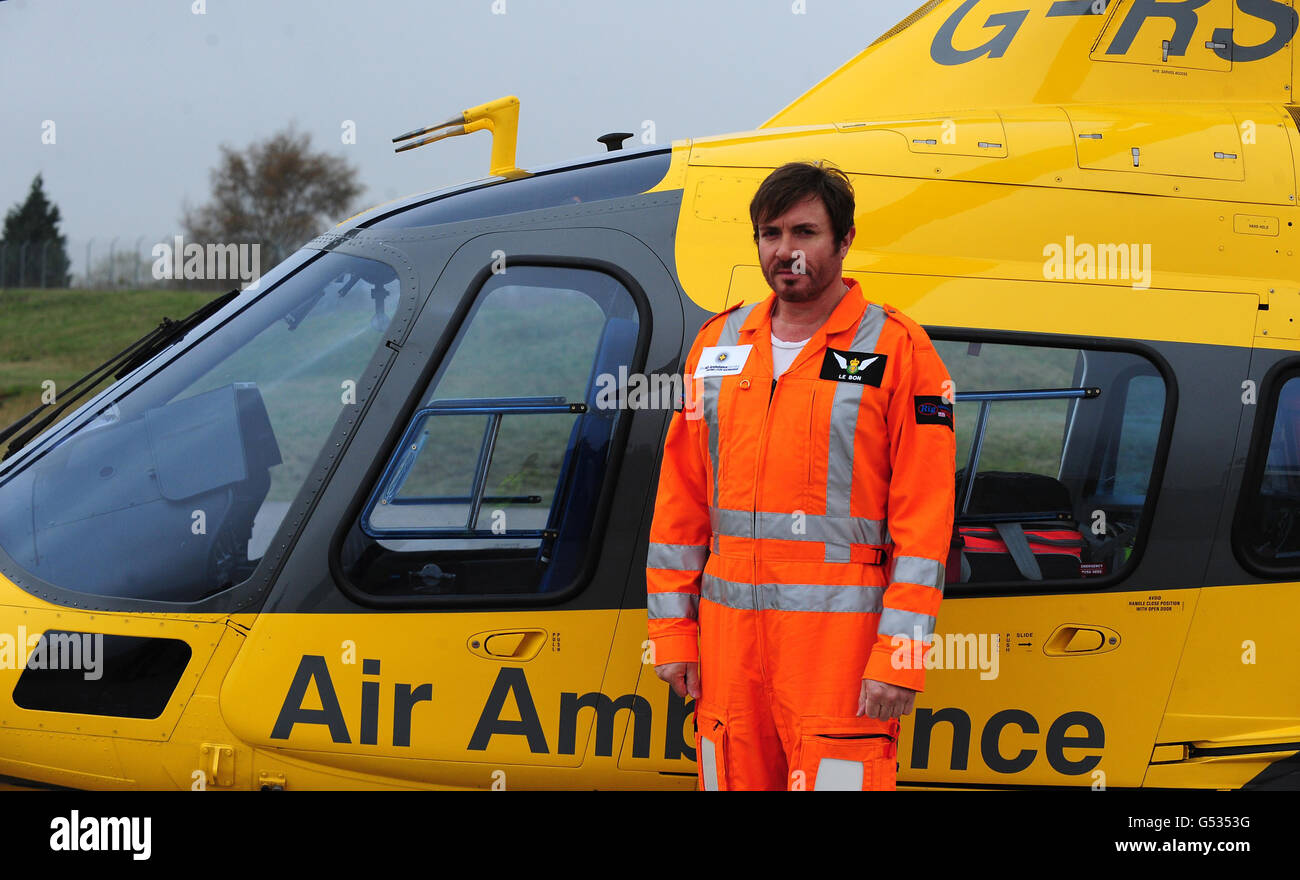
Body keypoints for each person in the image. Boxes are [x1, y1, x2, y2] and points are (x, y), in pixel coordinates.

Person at [645, 160, 956, 790]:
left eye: (805, 233)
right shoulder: (718, 344)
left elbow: (925, 526)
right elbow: (681, 504)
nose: (786, 251)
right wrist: (673, 635)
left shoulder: (900, 350)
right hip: (729, 655)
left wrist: (900, 657)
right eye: (770, 234)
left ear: (843, 242)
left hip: (838, 660)